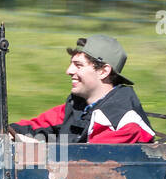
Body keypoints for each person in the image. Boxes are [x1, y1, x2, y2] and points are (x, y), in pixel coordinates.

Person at [11, 34, 155, 144]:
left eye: (78, 65)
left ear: (103, 71)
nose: (68, 71)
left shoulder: (123, 121)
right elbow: (36, 126)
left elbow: (85, 163)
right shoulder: (79, 105)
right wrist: (5, 132)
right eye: (71, 64)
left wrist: (38, 151)